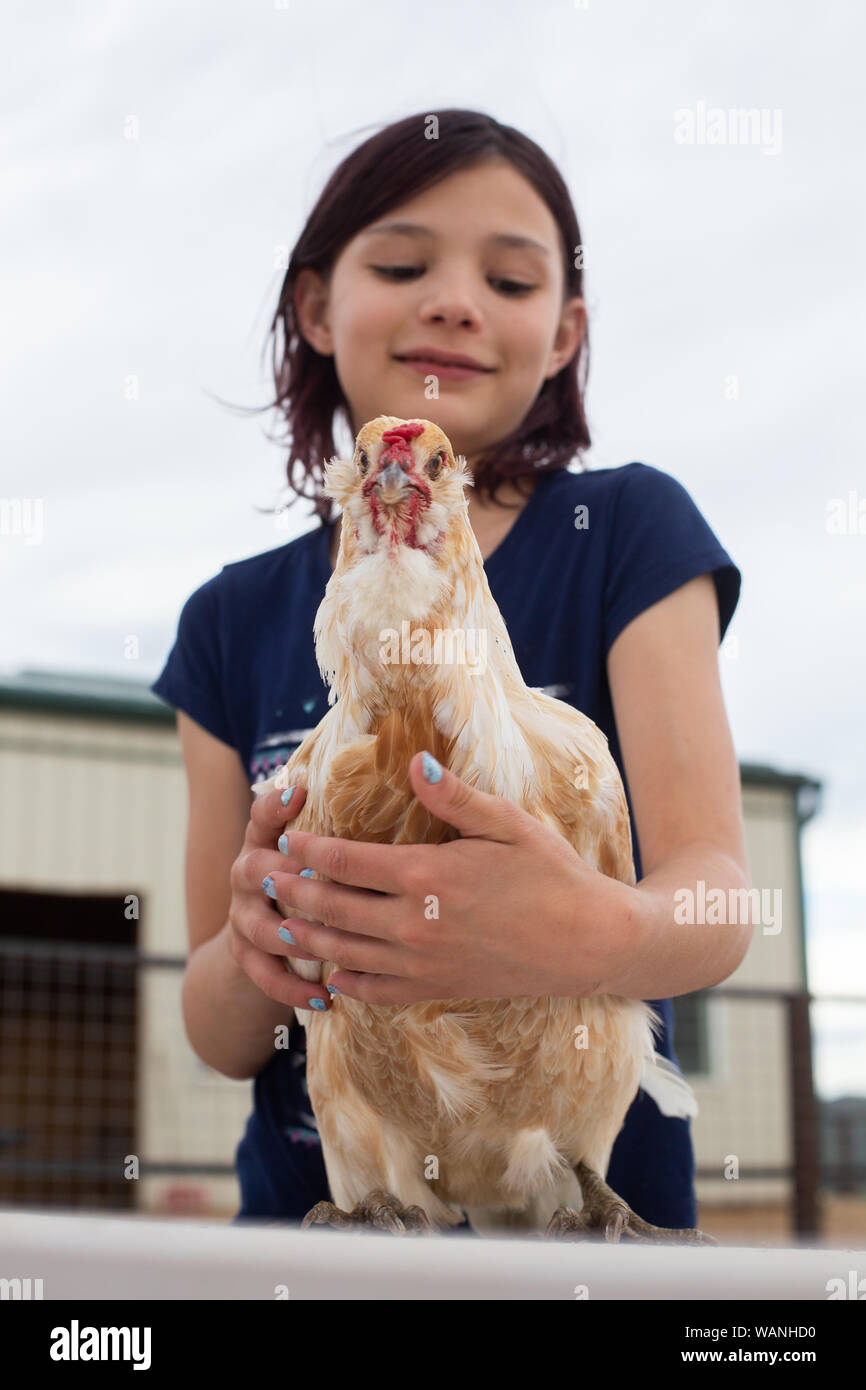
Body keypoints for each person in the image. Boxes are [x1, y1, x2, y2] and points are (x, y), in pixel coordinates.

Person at [150, 109, 751, 1235]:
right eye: (402, 263)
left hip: (571, 1224)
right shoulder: (229, 622)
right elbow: (218, 1032)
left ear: (565, 333)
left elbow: (715, 899)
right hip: (329, 1219)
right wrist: (254, 945)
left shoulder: (625, 533)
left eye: (511, 281)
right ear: (316, 308)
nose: (455, 301)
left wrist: (588, 932)